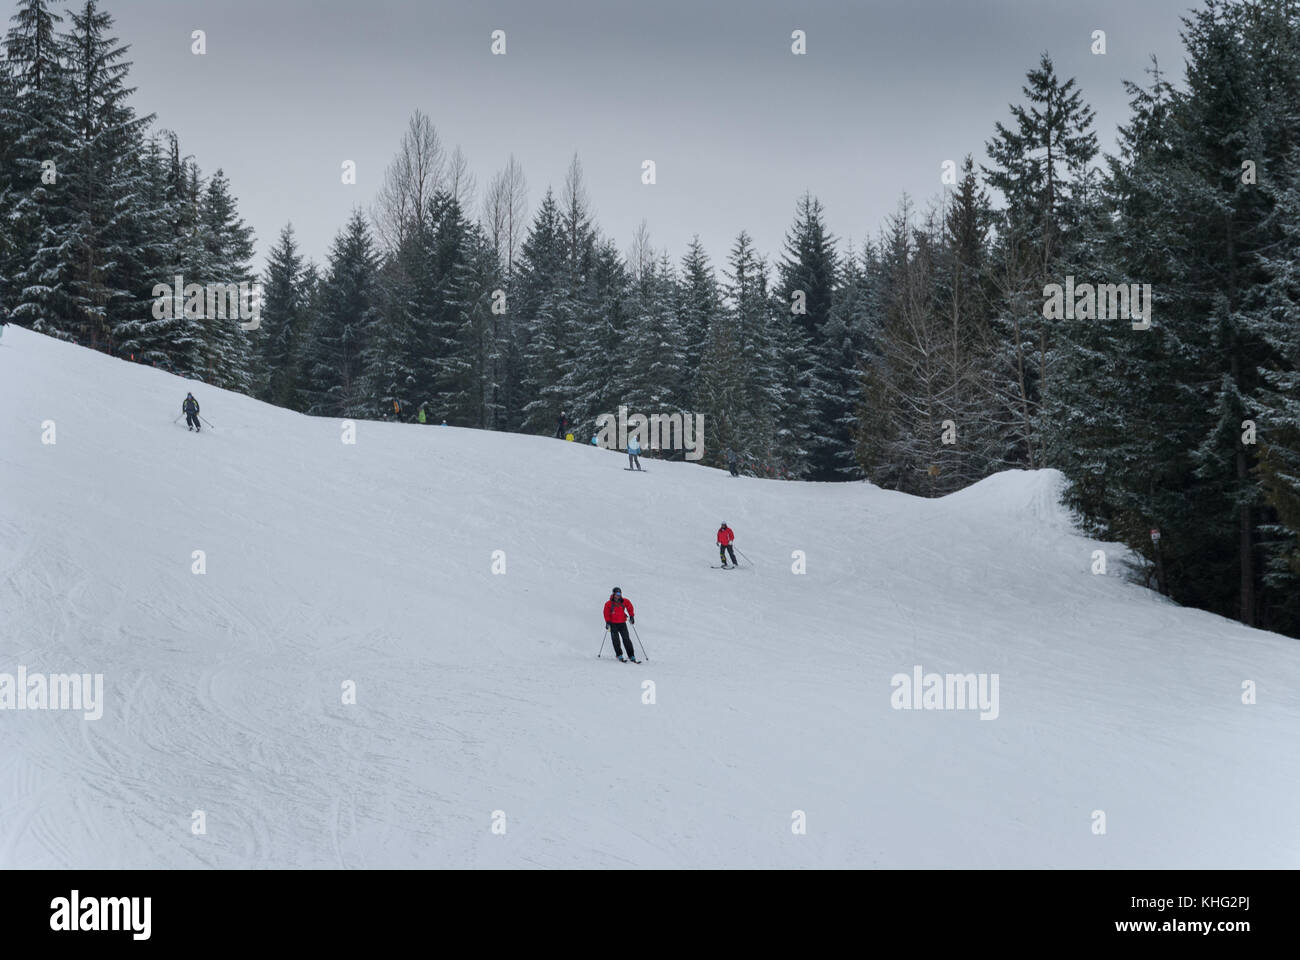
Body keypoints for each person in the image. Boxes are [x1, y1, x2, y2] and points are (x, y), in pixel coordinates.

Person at [603, 587, 638, 662]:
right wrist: (607, 622)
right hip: (613, 624)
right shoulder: (608, 603)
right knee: (616, 640)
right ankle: (619, 655)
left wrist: (631, 616)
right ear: (613, 594)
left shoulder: (625, 601)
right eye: (617, 594)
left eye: (619, 593)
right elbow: (606, 613)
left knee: (626, 639)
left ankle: (631, 655)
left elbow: (629, 607)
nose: (618, 595)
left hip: (622, 623)